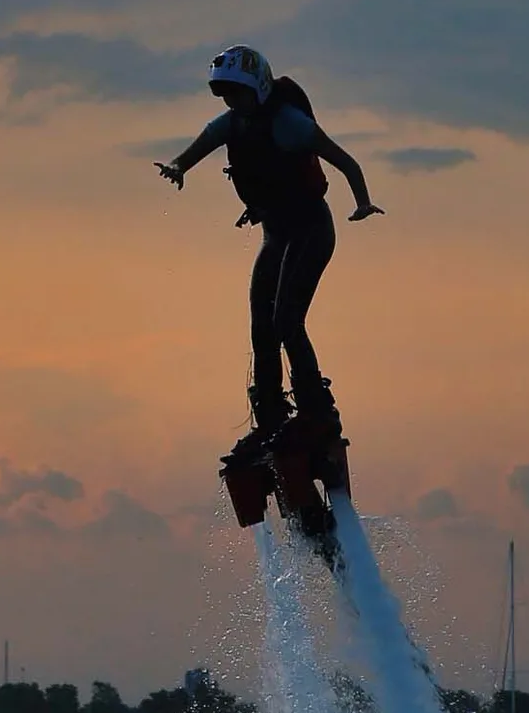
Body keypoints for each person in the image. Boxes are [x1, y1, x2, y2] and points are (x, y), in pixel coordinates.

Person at [155, 45, 382, 458]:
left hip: (311, 229)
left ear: (258, 87)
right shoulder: (233, 123)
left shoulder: (290, 124)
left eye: (237, 94)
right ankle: (272, 420)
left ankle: (317, 411)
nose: (231, 103)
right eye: (225, 96)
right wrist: (178, 167)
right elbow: (201, 146)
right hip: (275, 234)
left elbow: (344, 161)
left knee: (286, 320)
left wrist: (362, 202)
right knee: (261, 326)